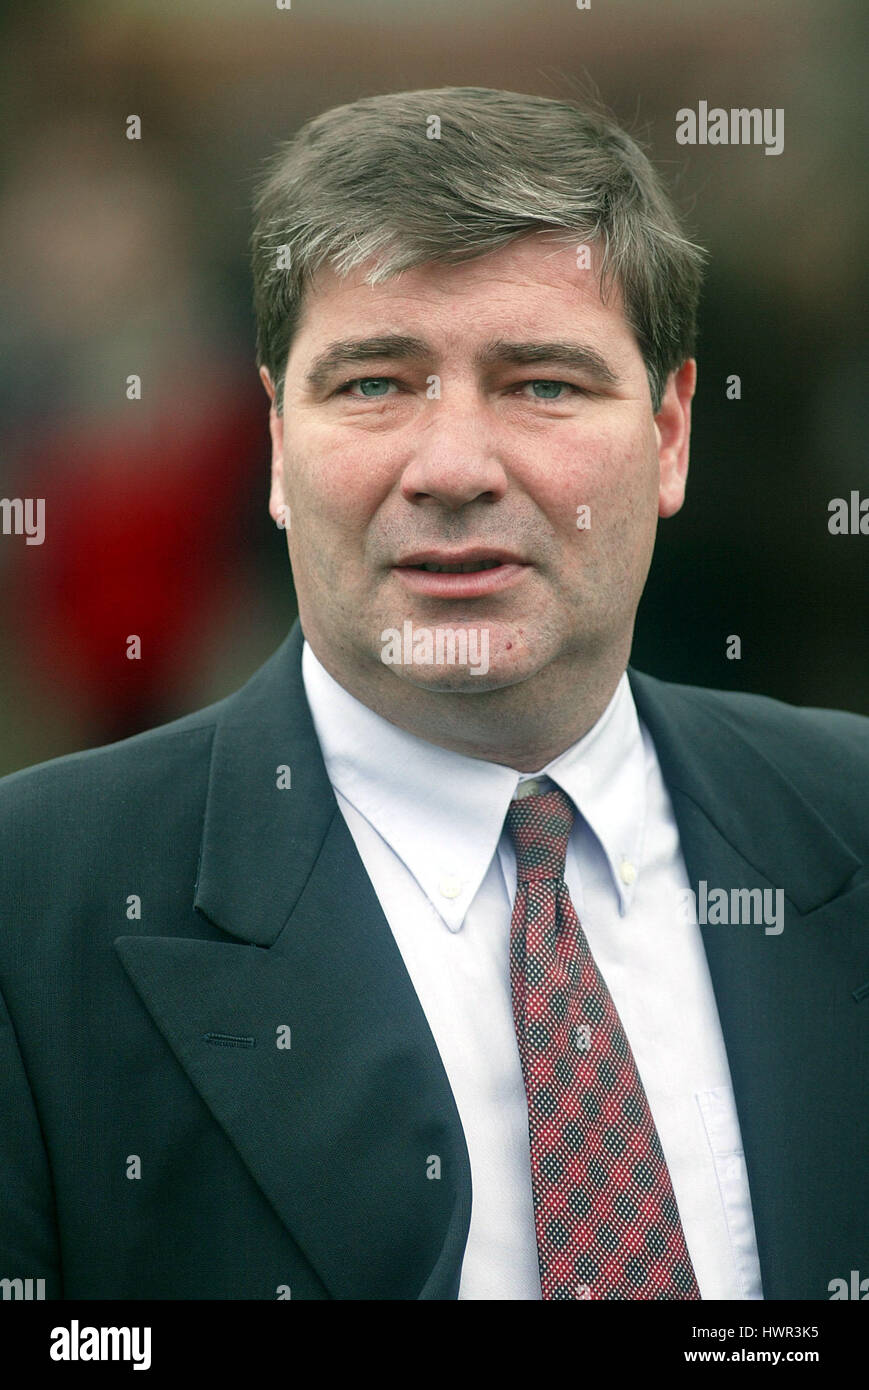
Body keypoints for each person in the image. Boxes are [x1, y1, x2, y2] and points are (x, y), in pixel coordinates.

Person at [0, 87, 865, 1302]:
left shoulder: (847, 817)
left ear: (670, 433)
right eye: (373, 383)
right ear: (275, 446)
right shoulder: (32, 907)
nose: (452, 467)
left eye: (541, 384)